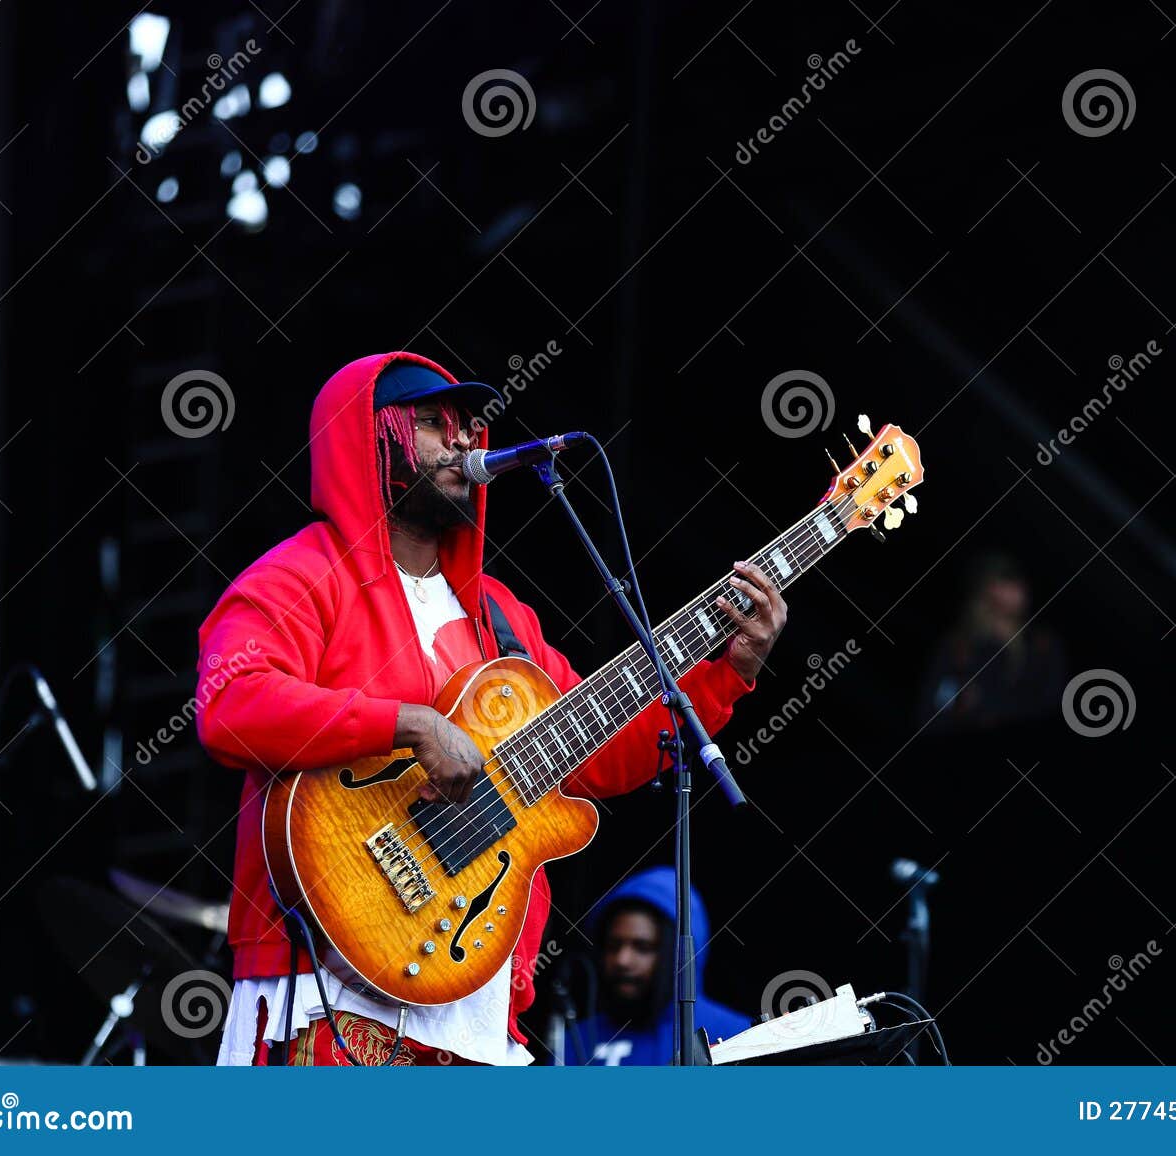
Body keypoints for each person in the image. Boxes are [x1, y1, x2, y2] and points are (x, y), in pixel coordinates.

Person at [194, 352, 786, 1065]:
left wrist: (728, 674)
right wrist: (410, 725)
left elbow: (605, 751)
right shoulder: (299, 575)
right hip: (327, 991)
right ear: (369, 439)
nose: (466, 441)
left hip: (475, 1002)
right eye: (433, 425)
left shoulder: (502, 618)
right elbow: (232, 703)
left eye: (468, 426)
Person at [566, 866, 751, 1065]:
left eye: (642, 947)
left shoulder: (737, 1036)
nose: (622, 960)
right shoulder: (574, 1042)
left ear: (679, 953)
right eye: (613, 945)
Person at [919, 552, 1065, 731]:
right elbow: (935, 708)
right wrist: (962, 699)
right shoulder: (960, 646)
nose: (1019, 589)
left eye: (1017, 580)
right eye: (1006, 580)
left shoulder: (1042, 644)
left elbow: (1052, 703)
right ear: (987, 590)